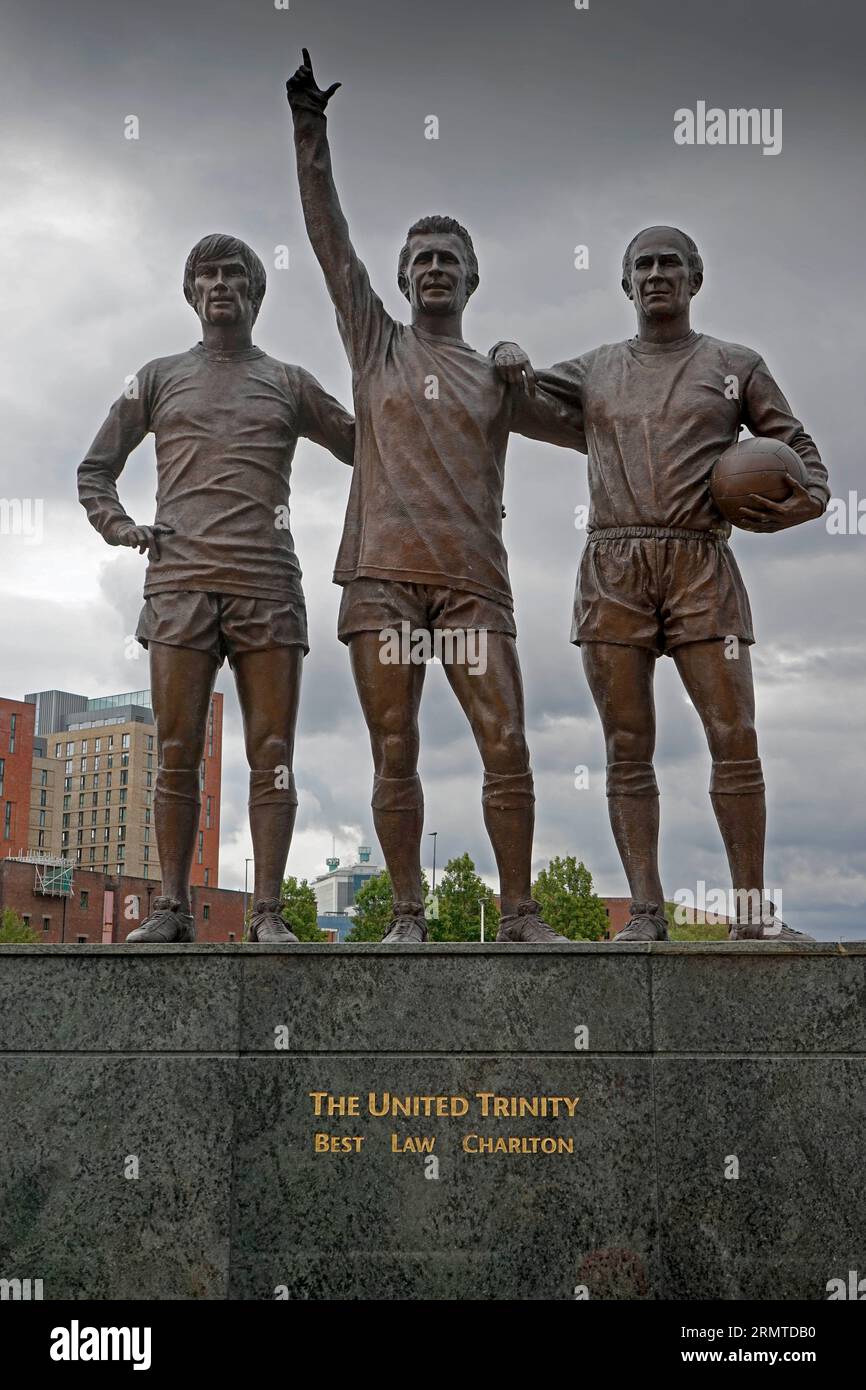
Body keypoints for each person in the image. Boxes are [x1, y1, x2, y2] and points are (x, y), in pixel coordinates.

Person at [286, 51, 586, 942]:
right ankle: (408, 913)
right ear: (403, 278)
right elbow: (329, 239)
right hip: (382, 578)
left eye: (449, 258)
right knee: (394, 746)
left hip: (471, 585)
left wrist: (525, 368)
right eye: (420, 258)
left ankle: (519, 912)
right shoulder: (375, 342)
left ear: (472, 278)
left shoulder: (498, 377)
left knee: (508, 743)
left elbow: (597, 424)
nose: (434, 267)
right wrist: (309, 130)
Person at [493, 226, 829, 941]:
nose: (655, 274)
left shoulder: (736, 365)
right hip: (613, 567)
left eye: (669, 263)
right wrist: (505, 354)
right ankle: (645, 913)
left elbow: (804, 456)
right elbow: (514, 399)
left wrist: (802, 504)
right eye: (642, 265)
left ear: (694, 279)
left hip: (701, 562)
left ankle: (751, 916)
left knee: (734, 733)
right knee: (626, 743)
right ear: (625, 283)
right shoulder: (597, 370)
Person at [78, 234, 354, 942]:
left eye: (234, 274)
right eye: (208, 274)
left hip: (268, 584)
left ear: (256, 292)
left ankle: (268, 912)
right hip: (179, 586)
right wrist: (119, 526)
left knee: (274, 756)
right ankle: (172, 907)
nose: (221, 283)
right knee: (176, 751)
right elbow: (95, 470)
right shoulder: (157, 378)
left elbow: (369, 447)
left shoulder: (290, 382)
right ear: (192, 291)